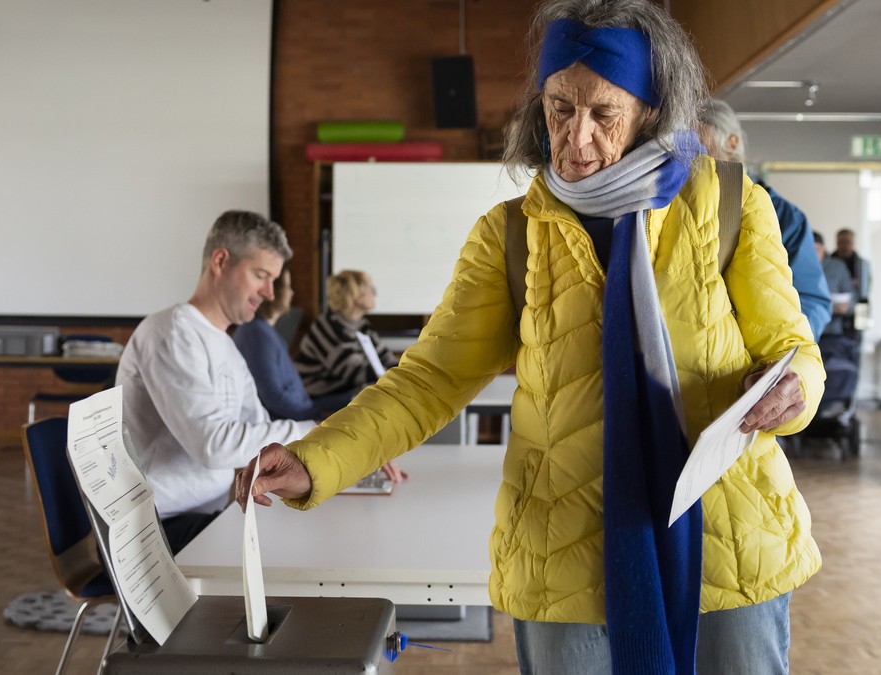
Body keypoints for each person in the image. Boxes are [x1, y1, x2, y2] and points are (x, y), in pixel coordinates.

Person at [237, 2, 824, 673]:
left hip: (730, 539)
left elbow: (793, 349)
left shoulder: (729, 205)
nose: (575, 136)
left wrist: (795, 388)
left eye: (603, 113)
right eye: (559, 107)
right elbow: (429, 380)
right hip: (560, 557)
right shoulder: (510, 234)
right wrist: (316, 460)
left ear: (651, 112)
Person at [116, 210, 316, 554]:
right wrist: (315, 430)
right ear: (221, 261)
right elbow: (213, 446)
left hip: (205, 515)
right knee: (284, 552)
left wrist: (330, 446)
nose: (270, 293)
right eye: (260, 275)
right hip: (151, 530)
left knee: (302, 531)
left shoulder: (224, 343)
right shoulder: (171, 333)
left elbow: (262, 433)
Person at [699, 98, 832, 340]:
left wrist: (782, 352)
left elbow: (813, 302)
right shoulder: (677, 207)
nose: (692, 159)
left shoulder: (784, 216)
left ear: (732, 142)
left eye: (700, 146)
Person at [232, 269, 355, 421]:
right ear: (274, 290)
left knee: (359, 398)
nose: (291, 292)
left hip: (303, 410)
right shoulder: (256, 333)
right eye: (287, 286)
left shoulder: (265, 331)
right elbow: (273, 396)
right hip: (291, 421)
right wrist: (317, 417)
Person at [295, 269, 399, 400]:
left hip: (348, 391)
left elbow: (386, 358)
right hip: (321, 398)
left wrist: (403, 372)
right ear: (358, 297)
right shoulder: (328, 328)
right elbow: (357, 373)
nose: (375, 293)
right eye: (371, 289)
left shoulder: (362, 326)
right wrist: (395, 376)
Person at [831, 227, 872, 342]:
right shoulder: (828, 263)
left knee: (856, 343)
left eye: (848, 242)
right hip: (833, 313)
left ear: (853, 243)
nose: (844, 245)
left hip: (858, 309)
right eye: (841, 242)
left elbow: (866, 291)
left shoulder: (862, 265)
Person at [813, 232, 855, 338]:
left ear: (823, 249)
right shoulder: (795, 266)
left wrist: (846, 307)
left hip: (831, 331)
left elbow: (852, 299)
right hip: (805, 330)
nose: (813, 254)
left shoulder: (837, 266)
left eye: (816, 249)